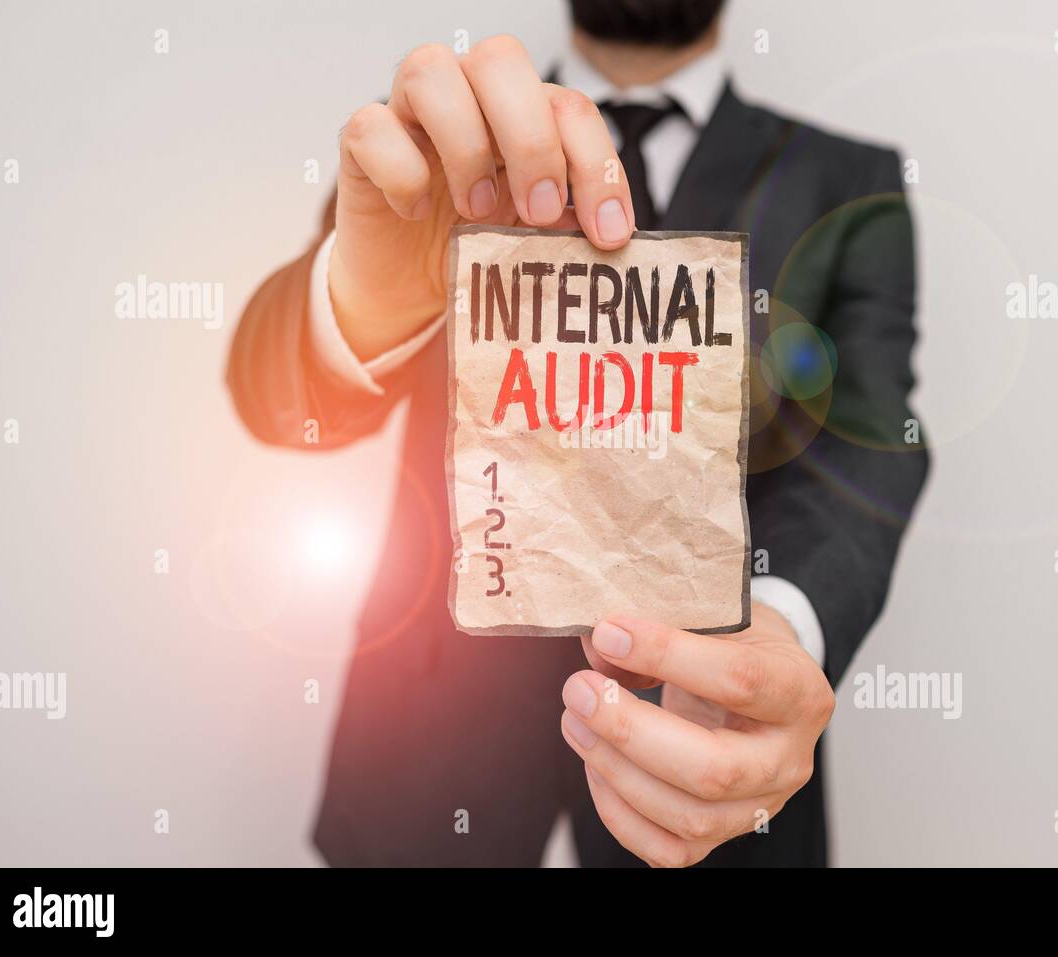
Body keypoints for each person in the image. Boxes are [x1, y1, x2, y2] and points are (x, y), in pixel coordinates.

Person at [226, 0, 928, 867]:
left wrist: (779, 630)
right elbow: (266, 392)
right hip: (426, 757)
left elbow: (869, 433)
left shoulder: (847, 179)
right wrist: (366, 305)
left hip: (706, 774)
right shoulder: (443, 149)